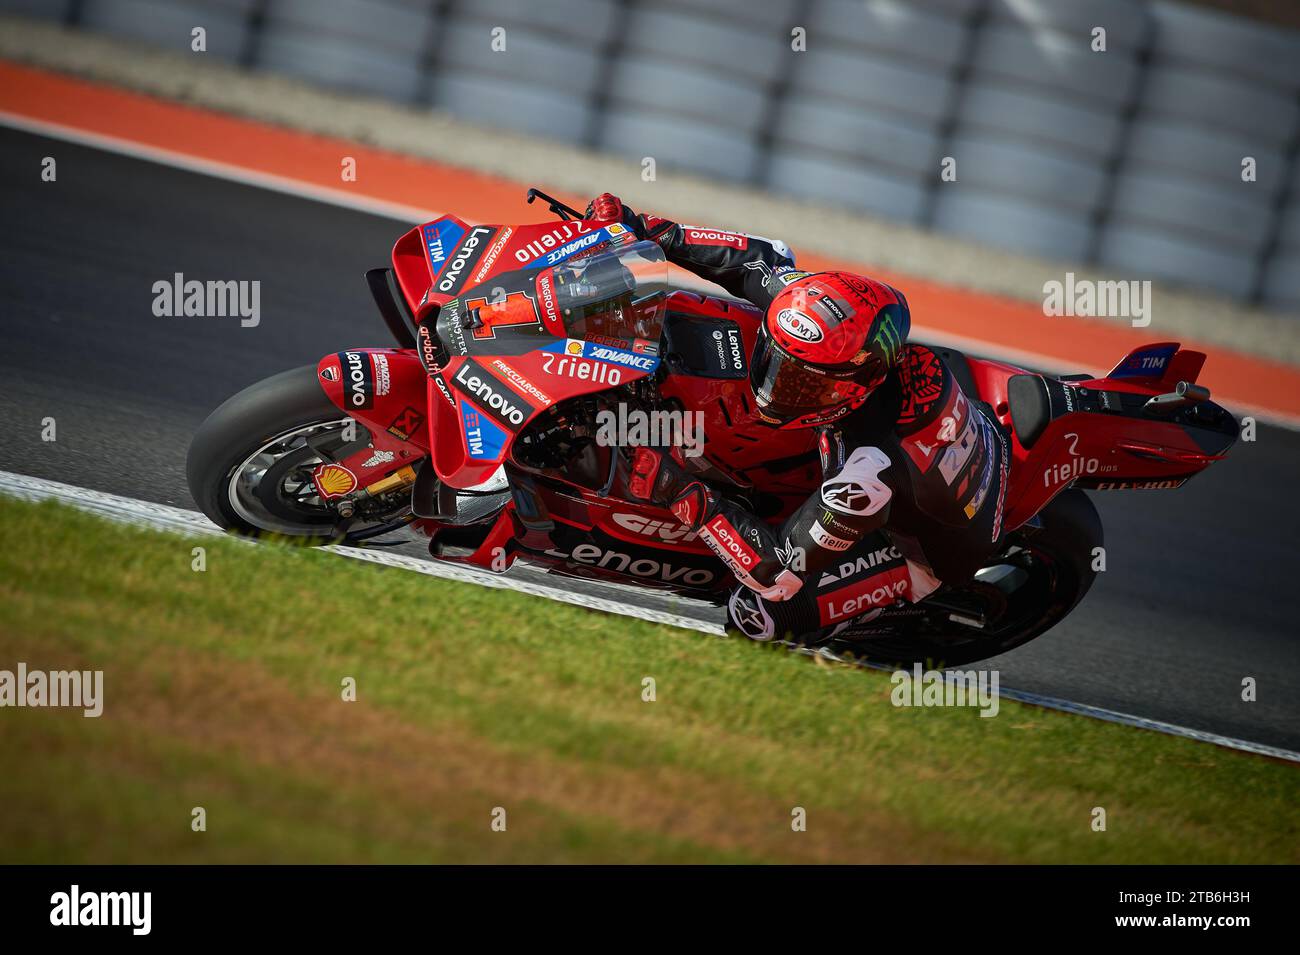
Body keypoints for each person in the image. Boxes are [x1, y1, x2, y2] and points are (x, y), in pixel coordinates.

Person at [583, 193, 1009, 643]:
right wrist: (641, 228)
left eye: (802, 384)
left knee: (758, 616)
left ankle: (904, 588)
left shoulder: (866, 471)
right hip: (933, 447)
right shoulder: (811, 310)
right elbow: (758, 259)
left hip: (913, 544)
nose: (776, 387)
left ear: (851, 387)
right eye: (778, 363)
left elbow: (777, 574)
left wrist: (676, 487)